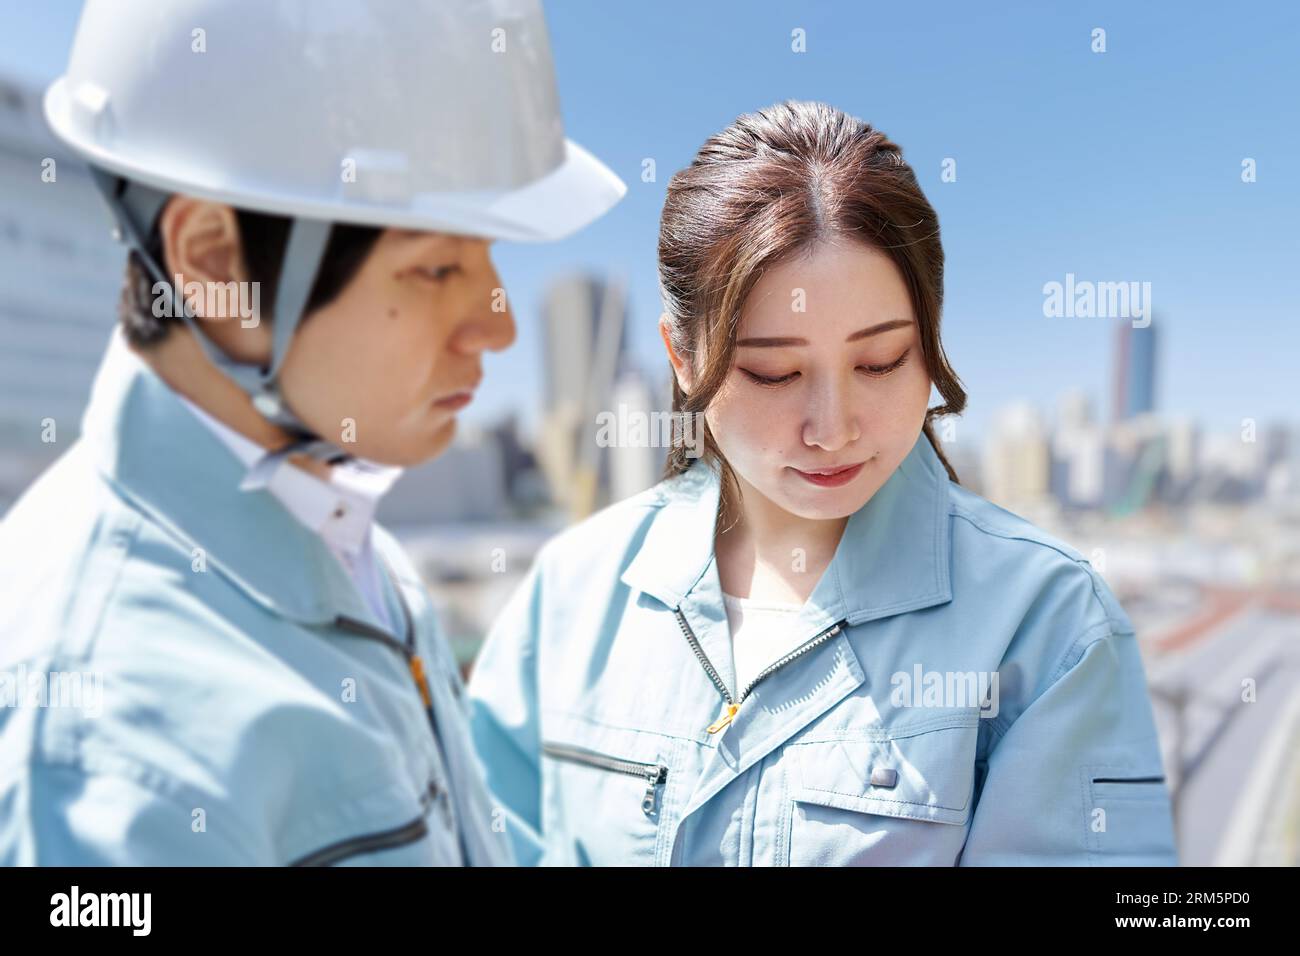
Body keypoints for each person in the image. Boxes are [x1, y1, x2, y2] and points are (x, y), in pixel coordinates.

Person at [465, 100, 1179, 866]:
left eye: (881, 363)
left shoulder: (1046, 624)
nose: (832, 428)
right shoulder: (574, 594)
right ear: (681, 358)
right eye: (774, 372)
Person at [0, 0, 624, 865]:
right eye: (438, 266)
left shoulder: (350, 539)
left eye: (488, 262)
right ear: (214, 259)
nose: (498, 327)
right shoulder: (104, 740)